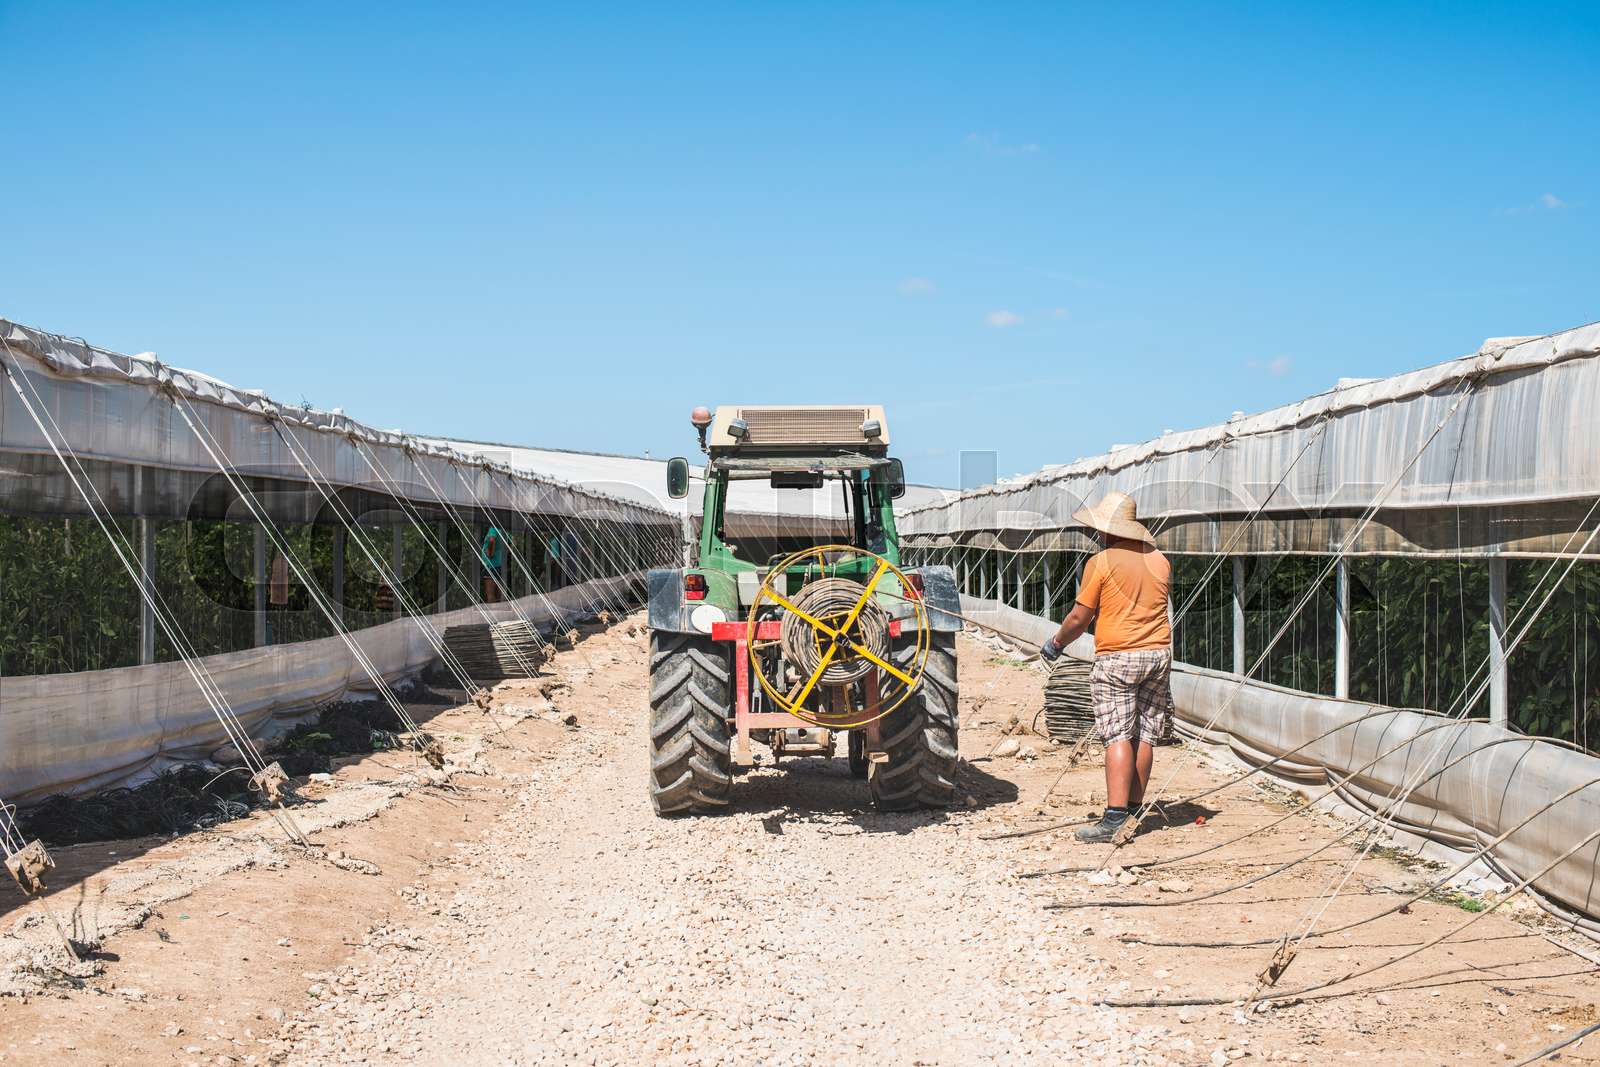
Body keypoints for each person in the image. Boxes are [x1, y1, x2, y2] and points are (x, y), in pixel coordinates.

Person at [1039, 491, 1172, 844]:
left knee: (1116, 734)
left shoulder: (1101, 562)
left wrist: (1056, 643)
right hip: (1158, 654)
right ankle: (1133, 808)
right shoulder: (1159, 560)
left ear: (1108, 530)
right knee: (1145, 734)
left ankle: (1114, 818)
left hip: (1119, 658)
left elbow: (1080, 617)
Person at [481, 526, 508, 603]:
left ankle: (492, 613)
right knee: (500, 594)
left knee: (490, 594)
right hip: (500, 565)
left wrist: (490, 553)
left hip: (491, 565)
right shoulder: (504, 529)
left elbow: (492, 540)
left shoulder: (493, 528)